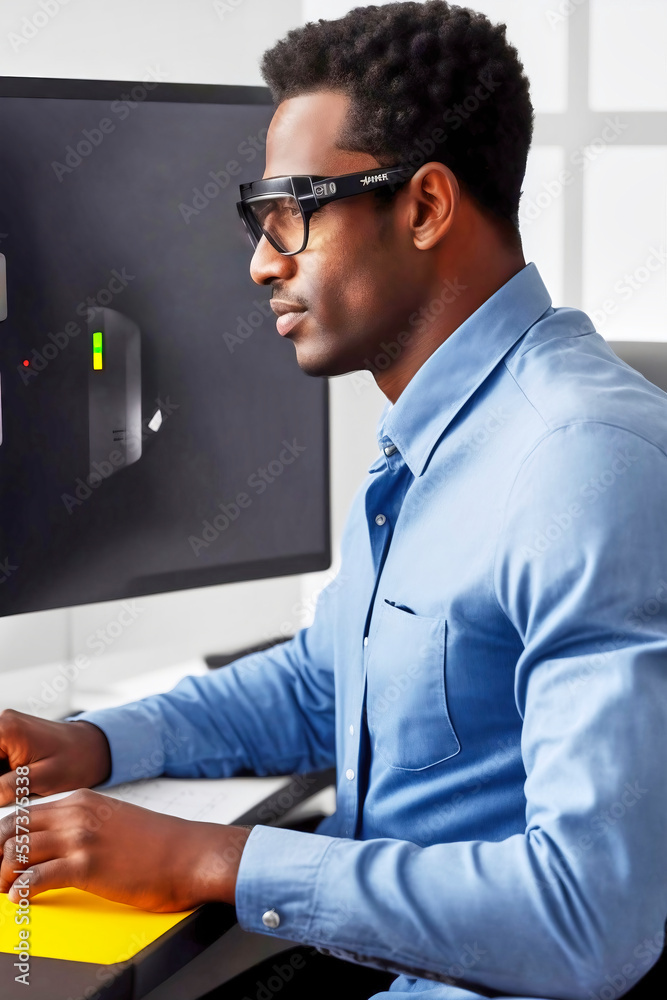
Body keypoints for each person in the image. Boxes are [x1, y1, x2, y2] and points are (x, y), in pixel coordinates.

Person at [1, 3, 666, 999]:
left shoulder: (581, 463)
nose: (262, 261)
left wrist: (207, 858)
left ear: (425, 207)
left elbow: (590, 917)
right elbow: (329, 684)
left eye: (292, 212)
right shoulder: (432, 441)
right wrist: (94, 743)